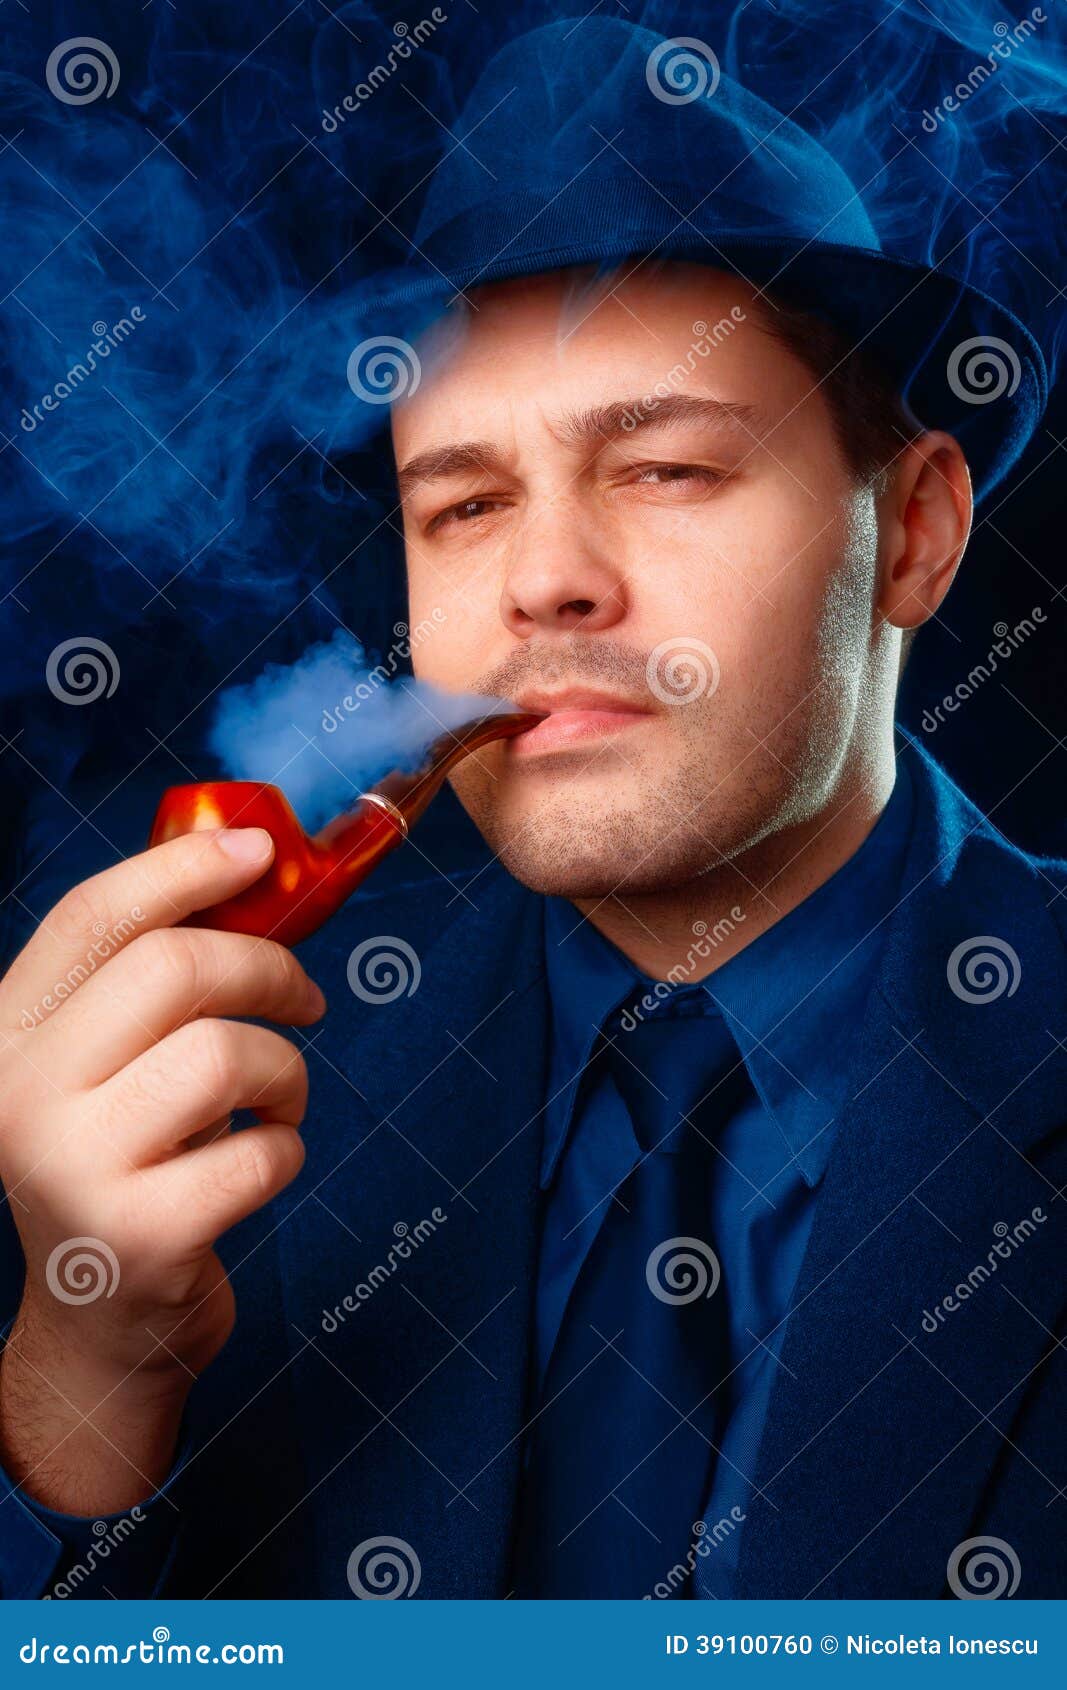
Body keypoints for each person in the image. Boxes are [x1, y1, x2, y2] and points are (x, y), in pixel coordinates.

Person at [0, 19, 1063, 1601]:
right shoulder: (228, 1080)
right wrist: (83, 1370)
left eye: (668, 469)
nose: (543, 578)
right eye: (466, 503)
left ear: (912, 531)